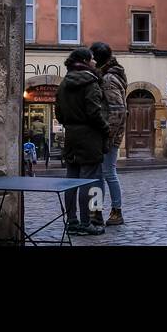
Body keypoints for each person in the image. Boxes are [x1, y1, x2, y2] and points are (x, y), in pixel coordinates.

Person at [53, 47, 110, 236]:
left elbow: (59, 114)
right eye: (92, 59)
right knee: (88, 179)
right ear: (86, 61)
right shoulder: (91, 83)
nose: (95, 62)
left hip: (70, 135)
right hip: (90, 136)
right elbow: (95, 112)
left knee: (71, 179)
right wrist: (105, 128)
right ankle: (86, 223)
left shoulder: (63, 84)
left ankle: (72, 221)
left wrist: (71, 123)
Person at [90, 40, 128, 227]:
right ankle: (96, 212)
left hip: (107, 135)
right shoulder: (111, 74)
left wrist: (109, 136)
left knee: (107, 173)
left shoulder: (108, 79)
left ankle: (115, 211)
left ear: (97, 59)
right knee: (100, 173)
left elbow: (118, 109)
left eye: (91, 58)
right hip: (105, 134)